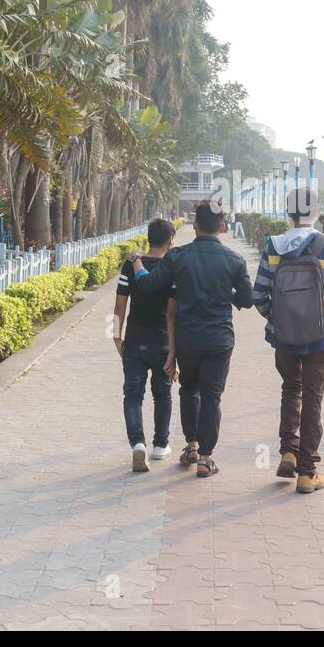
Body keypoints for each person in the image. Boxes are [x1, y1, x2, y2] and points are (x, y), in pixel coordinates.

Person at [129, 200, 253, 478]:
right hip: (219, 340)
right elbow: (247, 300)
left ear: (195, 226)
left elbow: (148, 284)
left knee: (188, 389)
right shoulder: (235, 260)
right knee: (212, 396)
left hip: (188, 339)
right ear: (222, 227)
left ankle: (192, 446)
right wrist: (225, 293)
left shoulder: (178, 257)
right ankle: (206, 459)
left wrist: (136, 262)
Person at [252, 187, 324, 495]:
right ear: (317, 212)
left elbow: (258, 294)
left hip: (283, 338)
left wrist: (279, 317)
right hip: (321, 337)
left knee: (290, 389)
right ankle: (307, 472)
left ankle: (288, 451)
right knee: (313, 398)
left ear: (289, 212)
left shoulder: (273, 246)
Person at [114, 218, 177, 472]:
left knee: (133, 395)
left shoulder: (130, 265)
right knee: (162, 394)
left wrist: (117, 337)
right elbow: (174, 312)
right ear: (171, 239)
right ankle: (160, 446)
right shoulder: (172, 268)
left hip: (135, 340)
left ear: (149, 238)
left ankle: (137, 444)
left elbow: (119, 305)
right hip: (163, 341)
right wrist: (175, 349)